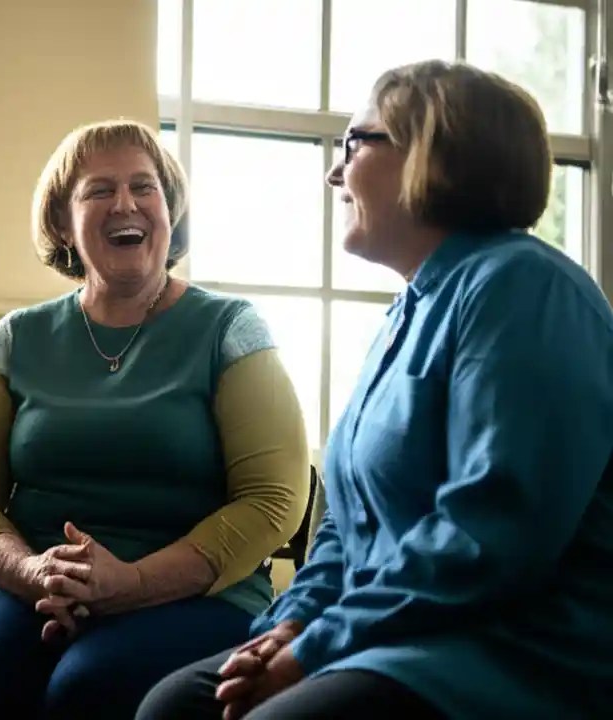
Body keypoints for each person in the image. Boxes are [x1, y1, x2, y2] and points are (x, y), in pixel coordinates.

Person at [136, 60, 613, 720]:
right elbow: (345, 530)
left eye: (354, 144)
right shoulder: (406, 312)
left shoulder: (527, 288)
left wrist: (319, 646)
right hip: (387, 639)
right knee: (174, 707)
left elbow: (492, 530)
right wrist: (293, 625)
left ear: (433, 150)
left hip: (503, 653)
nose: (335, 173)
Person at [0, 119, 311, 720]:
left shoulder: (230, 329)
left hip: (196, 597)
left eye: (145, 187)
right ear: (63, 223)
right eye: (99, 190)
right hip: (39, 593)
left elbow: (274, 499)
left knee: (89, 691)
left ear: (170, 212)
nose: (126, 204)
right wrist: (31, 571)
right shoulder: (17, 339)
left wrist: (133, 584)